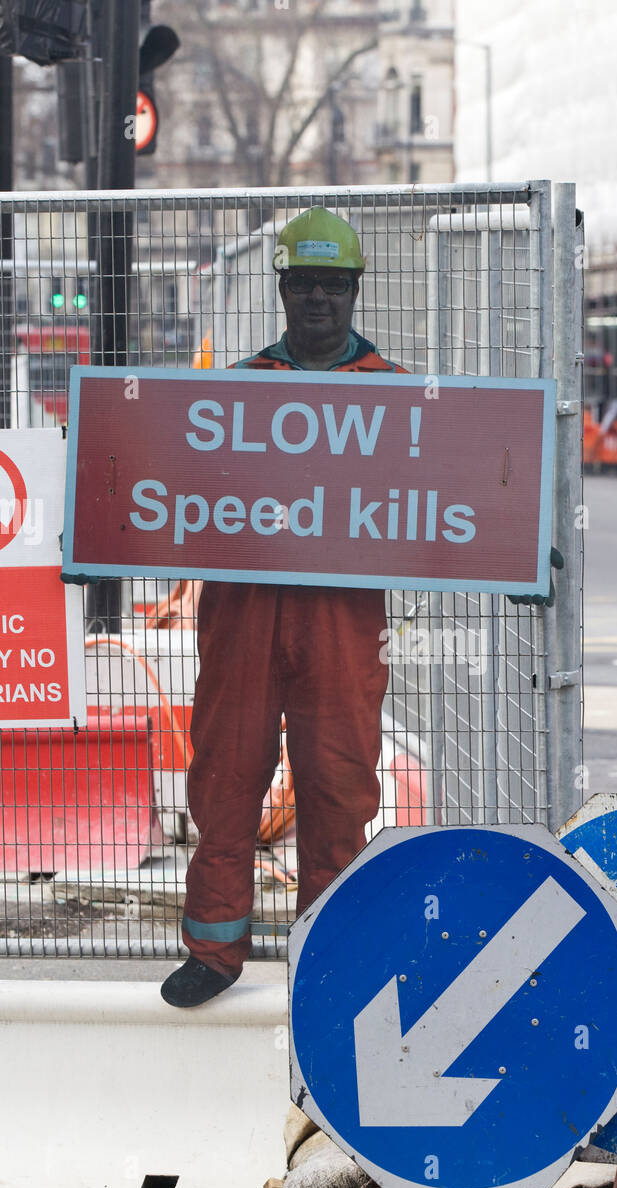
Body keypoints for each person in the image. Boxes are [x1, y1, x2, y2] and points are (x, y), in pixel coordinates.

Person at [161, 208, 407, 1008]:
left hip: (340, 622)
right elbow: (169, 497)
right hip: (245, 617)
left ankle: (327, 958)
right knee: (226, 778)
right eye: (303, 283)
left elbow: (450, 502)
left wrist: (513, 541)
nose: (316, 300)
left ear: (353, 290)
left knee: (338, 786)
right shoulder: (232, 394)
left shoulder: (398, 402)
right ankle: (215, 951)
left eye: (331, 285)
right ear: (283, 288)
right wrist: (96, 535)